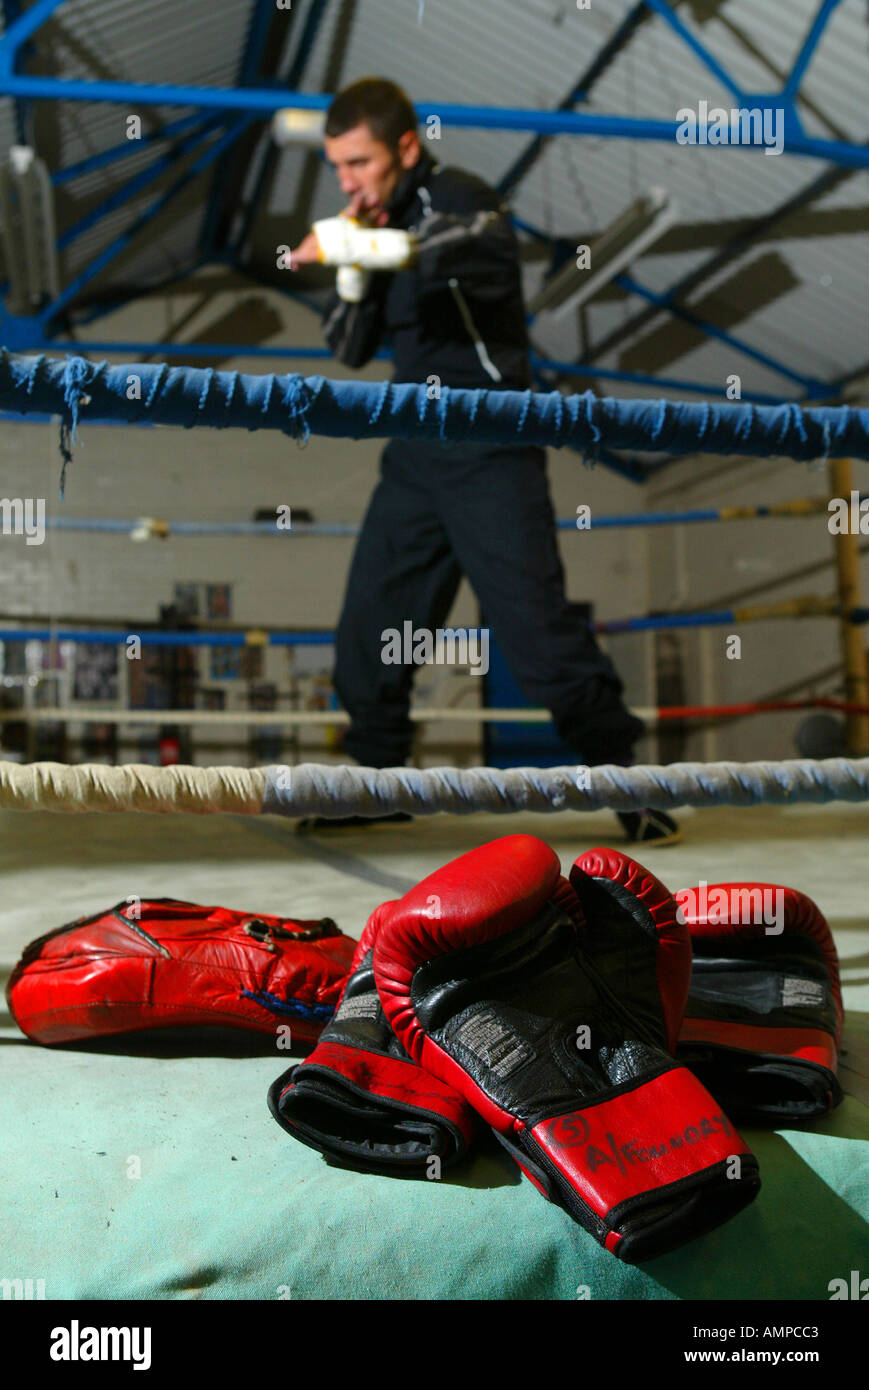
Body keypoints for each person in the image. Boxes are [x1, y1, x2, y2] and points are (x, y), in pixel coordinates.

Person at [290, 77, 678, 845]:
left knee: (535, 629)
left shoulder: (465, 201)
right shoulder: (374, 222)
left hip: (490, 439)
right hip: (412, 451)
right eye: (337, 167)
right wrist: (350, 265)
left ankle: (625, 781)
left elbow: (454, 249)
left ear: (406, 146)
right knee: (371, 624)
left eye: (359, 163)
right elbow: (346, 345)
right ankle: (375, 782)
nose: (346, 182)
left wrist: (347, 242)